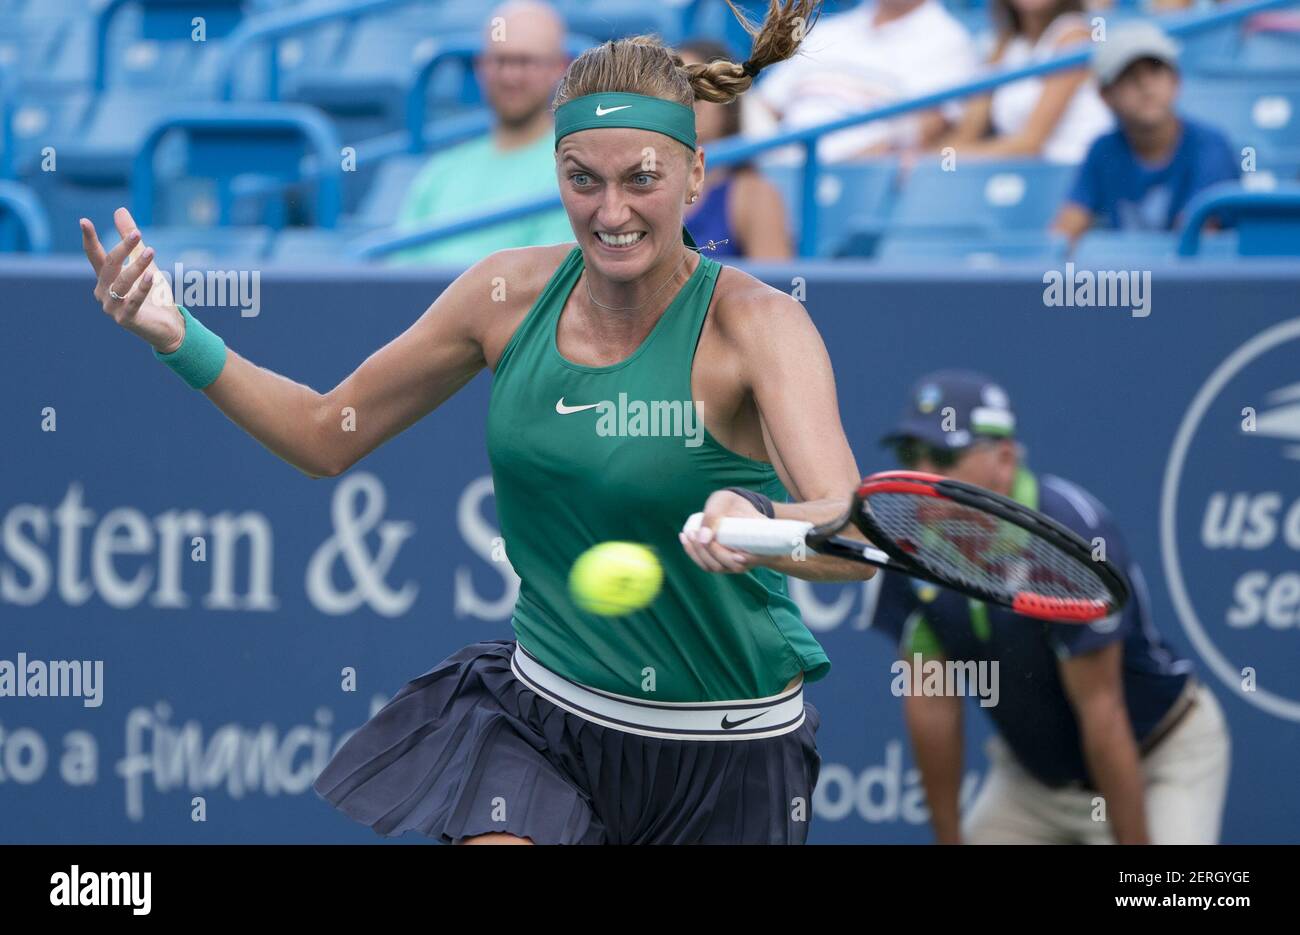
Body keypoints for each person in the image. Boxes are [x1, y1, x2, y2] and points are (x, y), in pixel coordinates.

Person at [79, 0, 876, 845]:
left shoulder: (760, 326)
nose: (611, 212)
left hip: (730, 760)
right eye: (583, 178)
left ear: (694, 177)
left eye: (641, 178)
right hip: (543, 724)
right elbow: (324, 433)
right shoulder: (500, 296)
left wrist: (761, 526)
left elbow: (849, 528)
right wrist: (178, 336)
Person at [868, 370, 1231, 844]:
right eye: (909, 456)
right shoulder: (908, 547)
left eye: (943, 456)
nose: (922, 472)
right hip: (1034, 785)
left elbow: (1104, 715)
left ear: (1003, 459)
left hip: (1156, 760)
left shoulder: (1072, 537)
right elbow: (933, 706)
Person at [388, 0, 576, 265]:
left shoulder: (574, 170)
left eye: (526, 62)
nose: (511, 76)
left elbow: (547, 287)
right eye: (500, 61)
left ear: (560, 68)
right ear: (480, 68)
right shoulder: (441, 171)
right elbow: (396, 275)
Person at [1052, 21, 1238, 244]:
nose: (1146, 85)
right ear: (1105, 94)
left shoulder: (1211, 146)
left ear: (1176, 81)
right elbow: (1063, 234)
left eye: (1156, 69)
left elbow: (1196, 244)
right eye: (1129, 75)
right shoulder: (1102, 150)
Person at [751, 0, 979, 163]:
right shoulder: (827, 29)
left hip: (857, 181)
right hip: (781, 168)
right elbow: (763, 106)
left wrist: (834, 171)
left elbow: (927, 126)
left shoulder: (949, 40)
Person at [935, 0, 1112, 163]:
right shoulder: (1005, 46)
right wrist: (939, 156)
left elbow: (1030, 143)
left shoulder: (1074, 35)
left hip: (1070, 173)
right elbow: (968, 131)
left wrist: (945, 157)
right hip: (1024, 176)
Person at [679, 38, 793, 259]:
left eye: (697, 88)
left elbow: (779, 290)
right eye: (673, 86)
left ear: (726, 101)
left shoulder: (754, 196)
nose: (684, 99)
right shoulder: (641, 191)